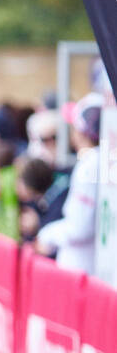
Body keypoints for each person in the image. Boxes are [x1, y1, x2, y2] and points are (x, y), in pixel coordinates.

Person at [36, 93, 102, 273]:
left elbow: (79, 227)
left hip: (84, 267)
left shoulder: (91, 164)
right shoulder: (96, 160)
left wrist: (47, 235)